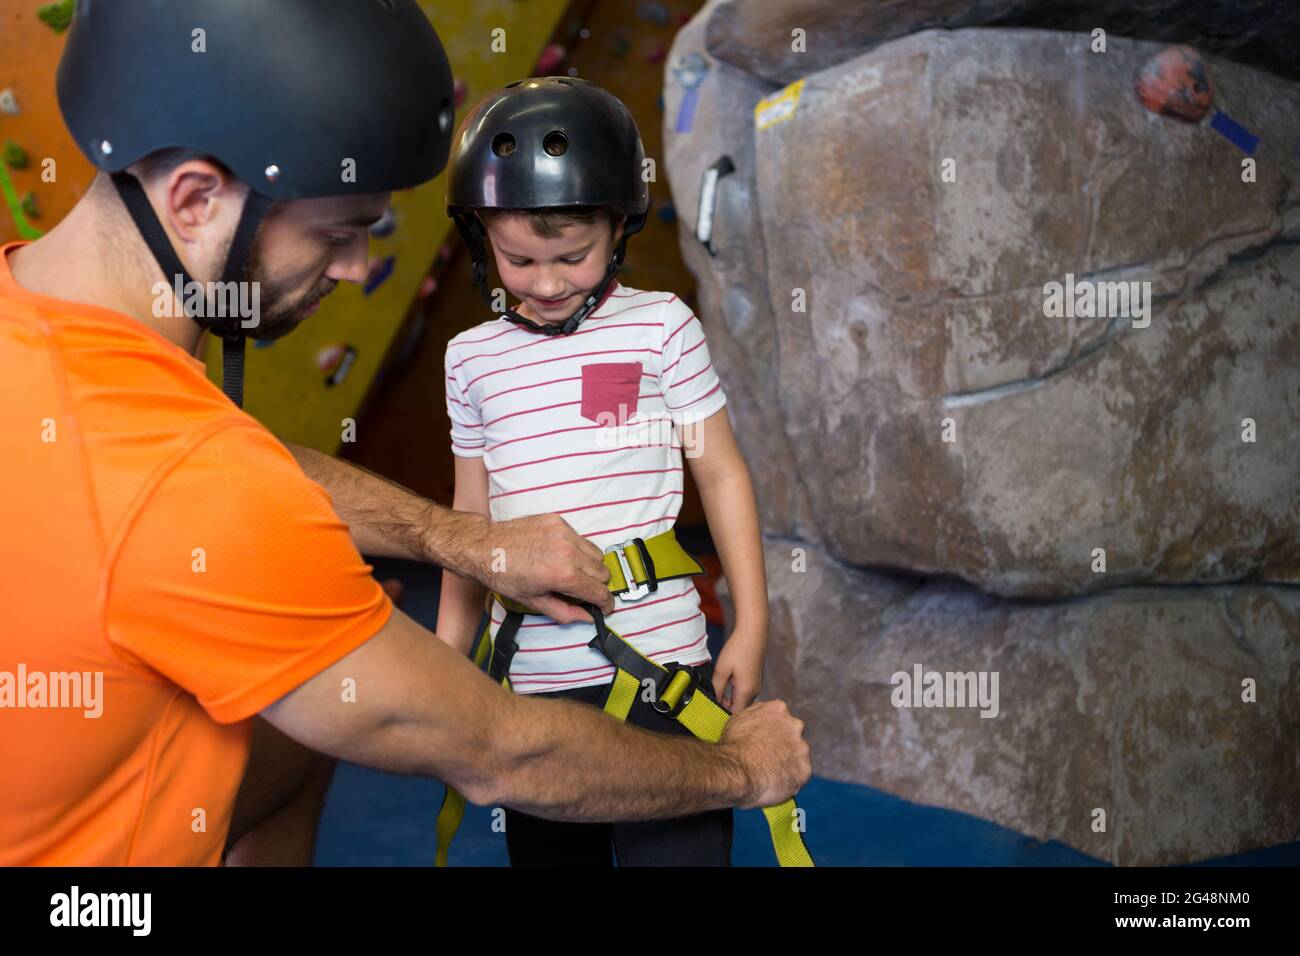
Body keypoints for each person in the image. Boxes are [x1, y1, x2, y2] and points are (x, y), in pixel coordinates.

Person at [0, 1, 810, 866]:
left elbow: (237, 463)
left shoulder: (59, 342)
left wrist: (460, 542)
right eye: (338, 233)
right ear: (196, 199)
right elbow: (506, 751)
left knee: (287, 731)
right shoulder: (201, 490)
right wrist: (742, 770)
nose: (352, 270)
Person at [439, 78, 772, 865]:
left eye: (573, 256)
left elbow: (721, 473)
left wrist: (750, 622)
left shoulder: (662, 327)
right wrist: (447, 657)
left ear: (619, 227)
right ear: (479, 232)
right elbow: (466, 516)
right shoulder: (469, 358)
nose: (548, 283)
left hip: (662, 662)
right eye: (518, 258)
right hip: (529, 679)